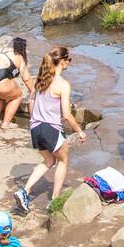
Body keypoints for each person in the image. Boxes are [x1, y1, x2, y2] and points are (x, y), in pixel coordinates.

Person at [13, 46, 86, 214]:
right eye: (69, 60)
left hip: (36, 128)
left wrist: (34, 120)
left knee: (48, 161)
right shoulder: (62, 84)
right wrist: (79, 130)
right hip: (50, 129)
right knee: (63, 161)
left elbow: (31, 101)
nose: (69, 63)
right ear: (62, 61)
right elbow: (67, 114)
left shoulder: (41, 79)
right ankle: (54, 200)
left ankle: (24, 191)